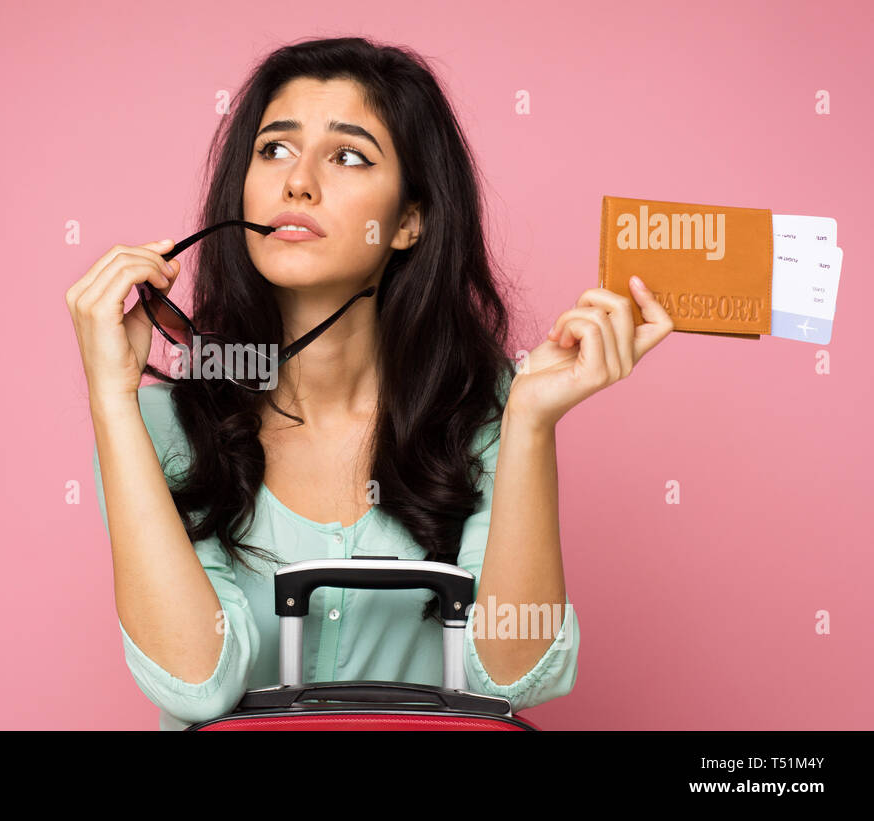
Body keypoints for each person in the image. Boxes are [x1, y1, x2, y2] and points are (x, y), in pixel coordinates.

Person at [65, 36, 673, 730]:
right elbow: (196, 684)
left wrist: (529, 421)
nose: (298, 181)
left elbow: (513, 676)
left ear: (410, 221)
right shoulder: (159, 430)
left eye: (348, 155)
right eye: (274, 150)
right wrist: (110, 401)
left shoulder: (487, 415)